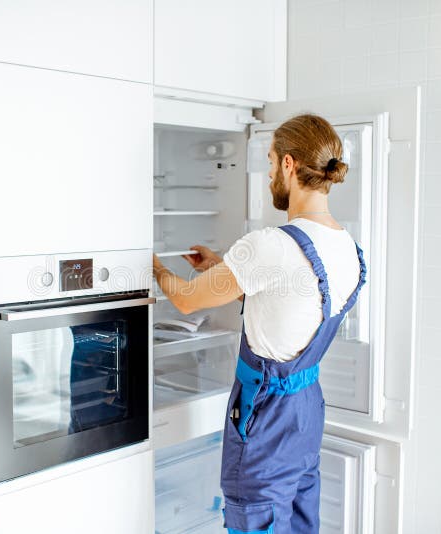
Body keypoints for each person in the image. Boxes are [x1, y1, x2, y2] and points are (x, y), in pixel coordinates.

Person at [152, 114, 367, 534]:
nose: (269, 174)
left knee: (257, 522)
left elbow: (183, 298)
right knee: (298, 522)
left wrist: (148, 263)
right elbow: (288, 302)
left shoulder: (271, 244)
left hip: (264, 414)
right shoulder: (348, 248)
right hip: (305, 410)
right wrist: (223, 268)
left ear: (288, 165)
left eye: (270, 163)